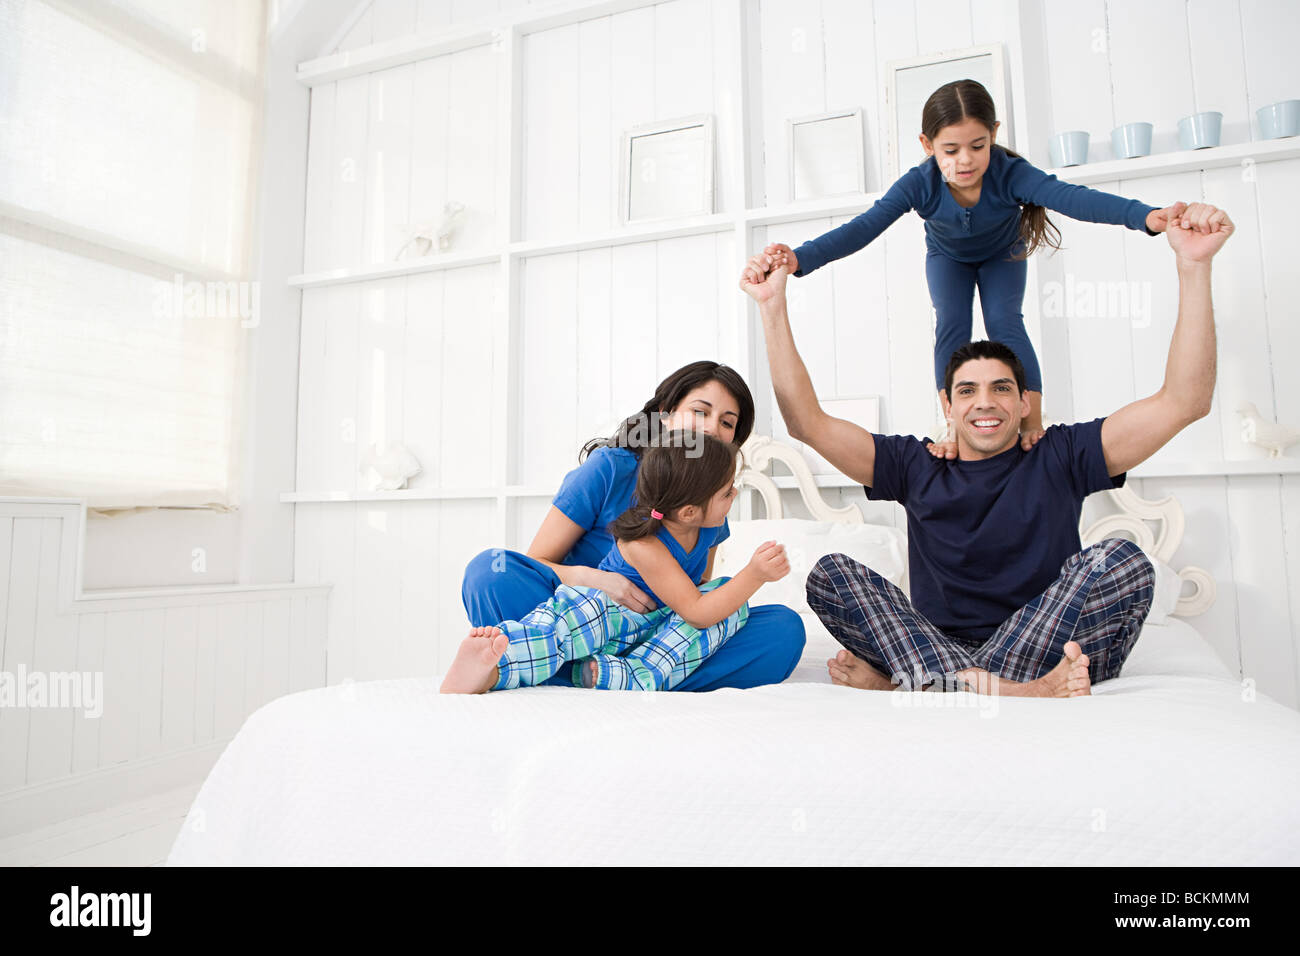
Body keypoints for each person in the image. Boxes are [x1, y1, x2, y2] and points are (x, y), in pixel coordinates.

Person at [739, 201, 1233, 697]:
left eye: (1000, 388)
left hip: (1043, 645)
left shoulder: (1061, 453)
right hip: (940, 645)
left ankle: (923, 684)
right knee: (831, 573)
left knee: (1122, 559)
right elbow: (806, 422)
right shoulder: (915, 464)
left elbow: (1184, 401)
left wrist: (1194, 266)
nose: (985, 403)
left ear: (1024, 403)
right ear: (947, 406)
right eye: (967, 391)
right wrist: (771, 306)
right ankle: (1006, 689)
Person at [759, 78, 1185, 452]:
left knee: (1004, 321)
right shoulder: (919, 183)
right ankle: (952, 426)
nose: (965, 160)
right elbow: (865, 226)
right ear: (927, 146)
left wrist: (1146, 217)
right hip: (948, 259)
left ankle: (1032, 420)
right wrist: (802, 258)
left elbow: (1074, 199)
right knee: (951, 323)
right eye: (950, 149)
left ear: (994, 135)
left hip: (1003, 254)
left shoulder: (1010, 172)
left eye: (977, 146)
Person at [460, 360, 806, 690]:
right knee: (490, 571)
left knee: (783, 629)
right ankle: (619, 677)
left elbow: (697, 590)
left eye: (727, 423)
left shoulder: (710, 505)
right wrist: (597, 580)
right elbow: (538, 562)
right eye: (700, 412)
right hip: (579, 617)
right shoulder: (609, 468)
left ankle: (585, 675)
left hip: (654, 637)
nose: (712, 429)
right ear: (664, 417)